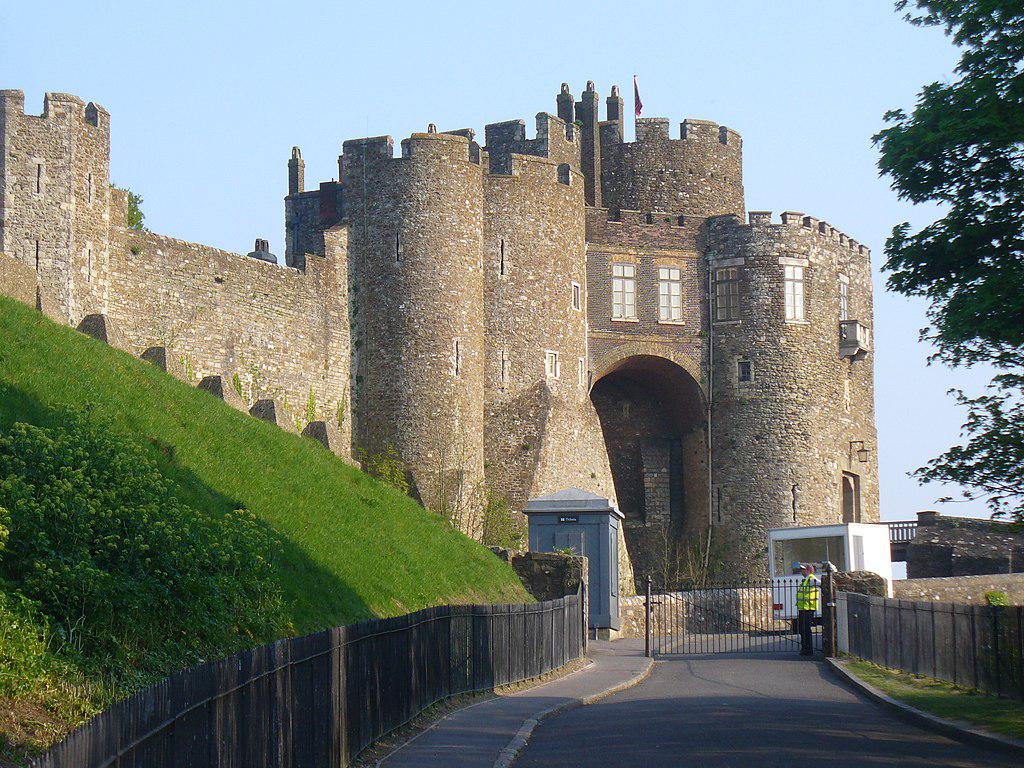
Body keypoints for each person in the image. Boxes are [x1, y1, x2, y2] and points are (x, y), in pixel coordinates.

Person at [795, 562, 820, 656]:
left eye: (803, 569)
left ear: (809, 570)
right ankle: (805, 648)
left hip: (808, 608)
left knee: (805, 629)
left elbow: (820, 584)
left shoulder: (811, 579)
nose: (802, 571)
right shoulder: (806, 580)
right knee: (802, 629)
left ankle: (808, 649)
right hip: (803, 608)